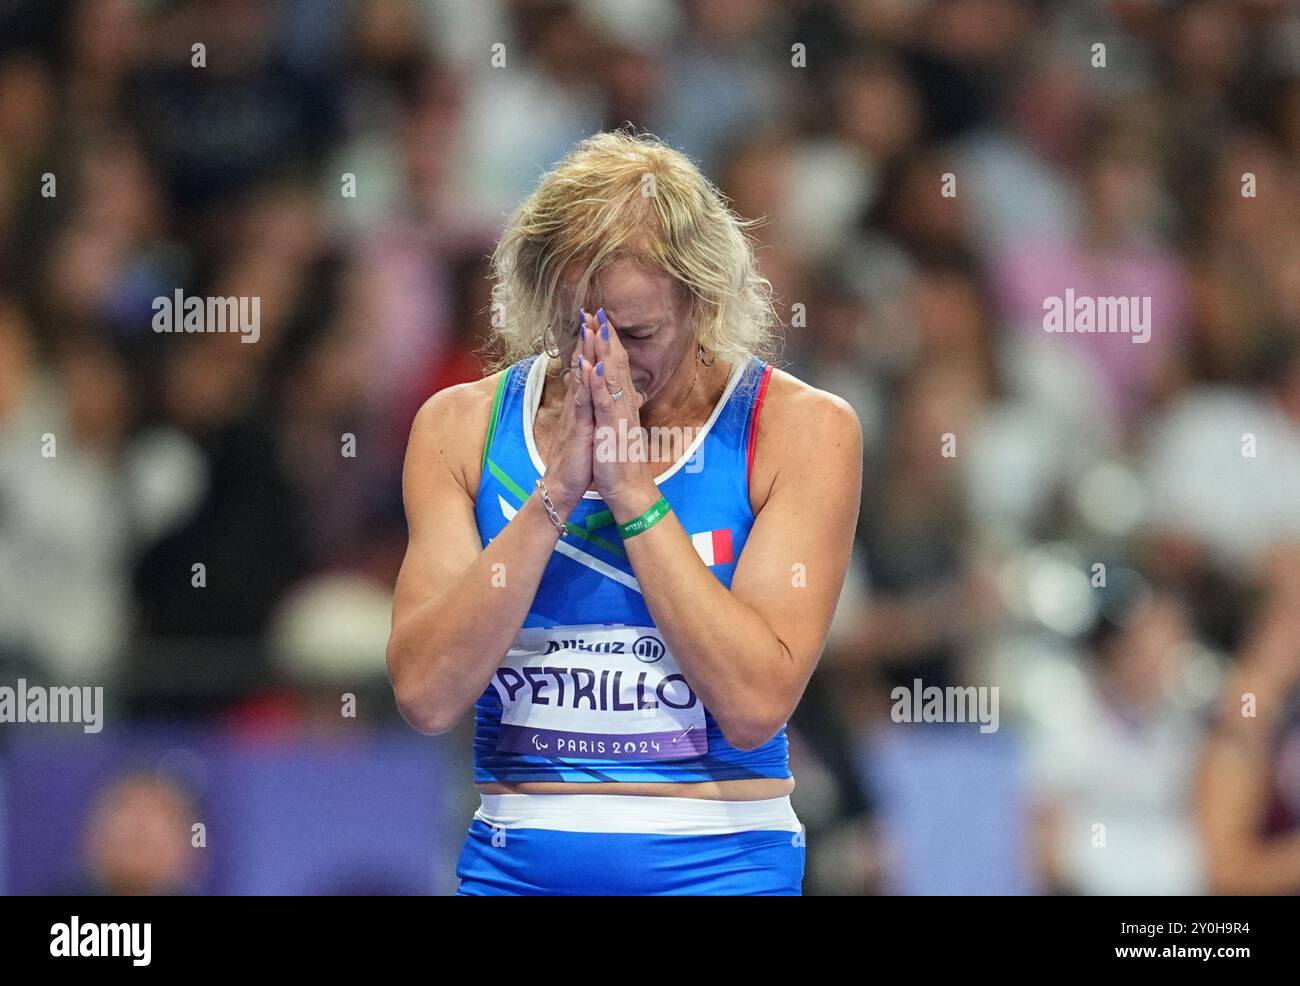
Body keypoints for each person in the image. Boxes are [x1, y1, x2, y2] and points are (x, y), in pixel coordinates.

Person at [386, 129, 862, 895]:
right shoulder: (459, 426)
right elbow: (426, 694)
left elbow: (752, 706)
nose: (602, 362)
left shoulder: (799, 429)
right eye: (578, 329)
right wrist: (555, 497)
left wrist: (635, 491)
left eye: (635, 333)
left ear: (704, 300)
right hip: (516, 868)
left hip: (720, 866)